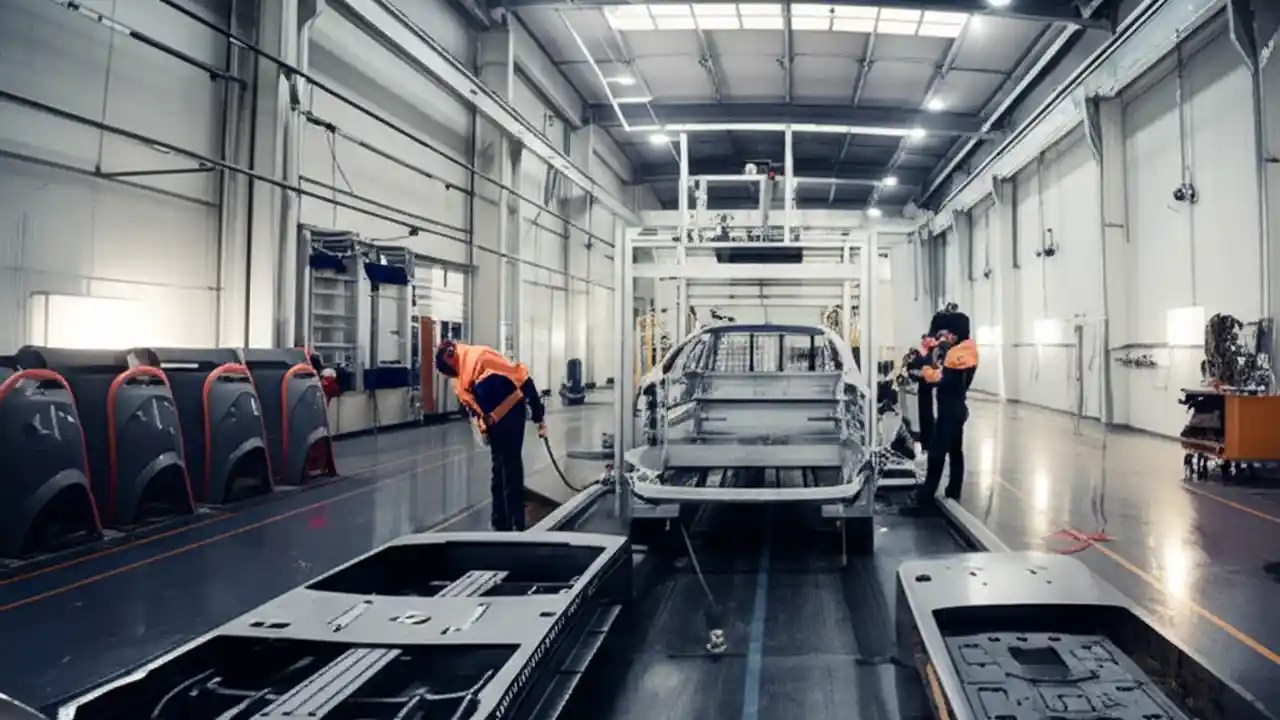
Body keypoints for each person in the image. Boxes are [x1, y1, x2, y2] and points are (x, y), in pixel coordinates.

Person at [435, 340, 547, 531]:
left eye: (449, 370)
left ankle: (512, 522)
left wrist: (538, 415)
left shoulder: (481, 357)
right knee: (503, 468)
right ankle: (505, 521)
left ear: (451, 357)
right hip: (498, 421)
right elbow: (474, 409)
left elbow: (520, 377)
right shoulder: (462, 376)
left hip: (509, 414)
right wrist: (483, 429)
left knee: (506, 467)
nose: (452, 374)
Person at [915, 310, 978, 505]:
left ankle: (926, 496)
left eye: (948, 334)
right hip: (954, 407)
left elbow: (943, 379)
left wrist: (925, 365)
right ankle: (953, 491)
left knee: (937, 451)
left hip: (951, 408)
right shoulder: (962, 349)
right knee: (955, 450)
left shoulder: (962, 353)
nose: (945, 338)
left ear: (957, 333)